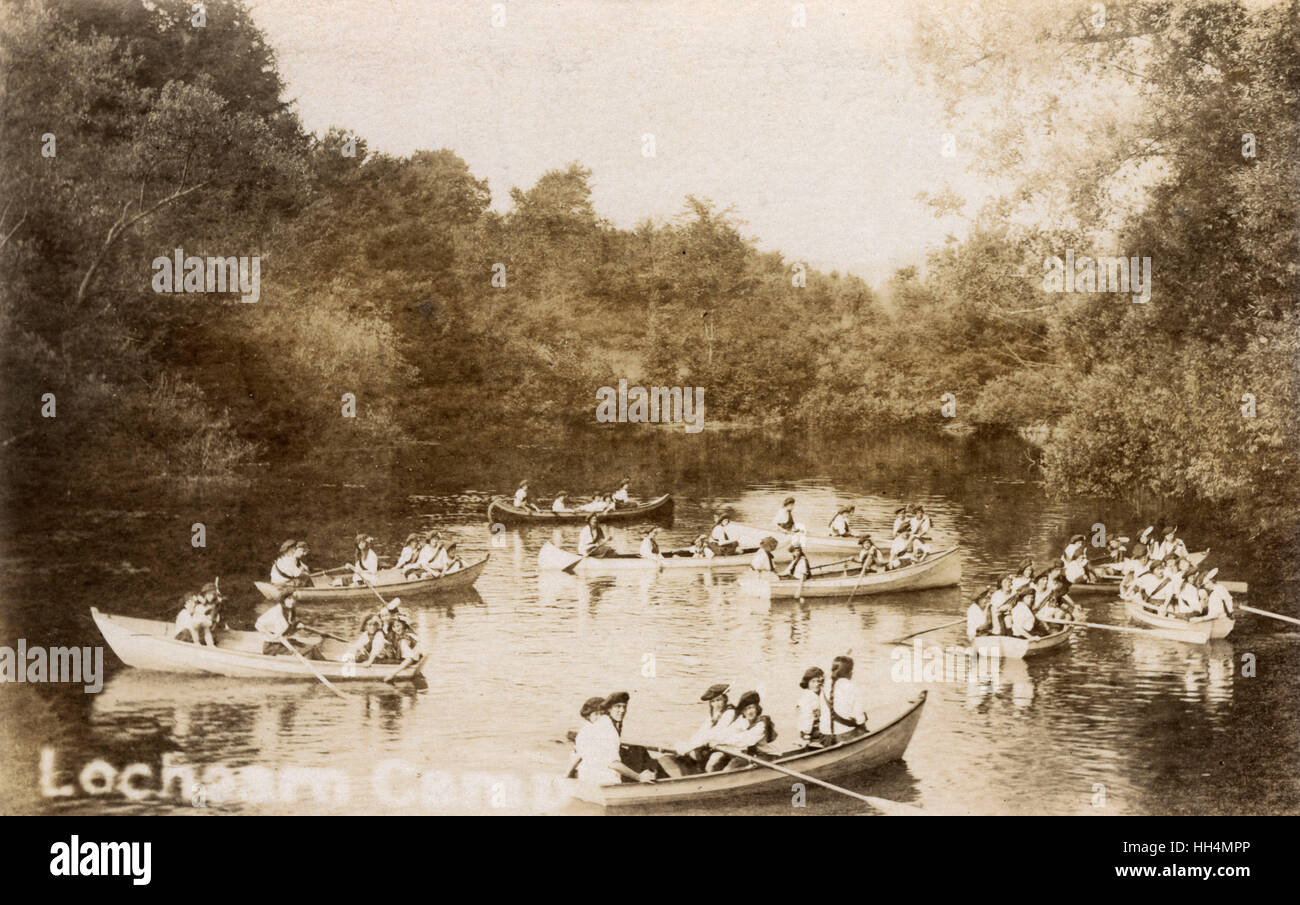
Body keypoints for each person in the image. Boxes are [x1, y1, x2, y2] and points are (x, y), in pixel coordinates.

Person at [662, 683, 736, 776]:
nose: (716, 704)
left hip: (727, 747)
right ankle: (694, 773)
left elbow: (714, 734)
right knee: (690, 753)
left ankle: (708, 779)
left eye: (719, 700)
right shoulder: (714, 713)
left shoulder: (730, 712)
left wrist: (690, 747)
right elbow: (702, 731)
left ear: (725, 700)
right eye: (713, 701)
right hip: (712, 744)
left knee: (713, 760)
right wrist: (688, 744)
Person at [707, 690, 779, 772]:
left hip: (768, 756)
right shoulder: (743, 721)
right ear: (743, 713)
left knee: (729, 769)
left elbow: (746, 740)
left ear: (757, 708)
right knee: (715, 759)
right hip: (752, 754)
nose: (749, 712)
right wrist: (715, 740)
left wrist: (722, 742)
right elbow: (728, 732)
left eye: (751, 708)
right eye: (745, 710)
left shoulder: (762, 723)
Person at [254, 593, 320, 658]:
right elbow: (258, 624)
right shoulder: (275, 611)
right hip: (272, 646)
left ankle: (324, 665)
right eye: (289, 599)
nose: (292, 601)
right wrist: (270, 634)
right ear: (283, 599)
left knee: (312, 648)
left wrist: (296, 626)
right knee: (308, 650)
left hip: (284, 642)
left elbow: (288, 628)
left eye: (293, 599)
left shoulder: (289, 610)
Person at [820, 655, 867, 739]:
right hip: (845, 734)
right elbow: (859, 717)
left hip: (825, 735)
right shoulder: (852, 687)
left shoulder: (824, 686)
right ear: (850, 671)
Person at [796, 667, 826, 746]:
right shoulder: (808, 697)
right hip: (810, 732)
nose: (816, 684)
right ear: (807, 683)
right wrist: (806, 735)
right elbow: (806, 717)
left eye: (818, 682)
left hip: (816, 728)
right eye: (813, 682)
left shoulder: (820, 694)